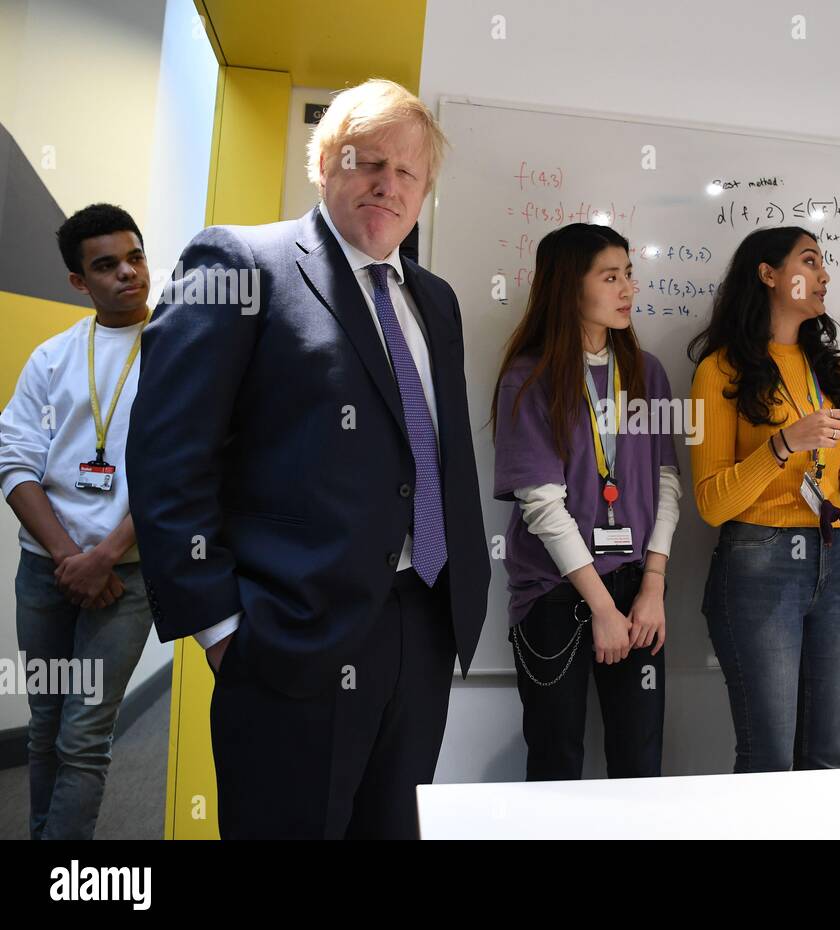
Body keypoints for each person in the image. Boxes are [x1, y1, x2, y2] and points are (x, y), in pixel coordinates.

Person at [126, 79, 490, 838]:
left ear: (424, 193)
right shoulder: (239, 263)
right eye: (367, 161)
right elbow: (169, 458)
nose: (387, 184)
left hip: (423, 626)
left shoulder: (438, 301)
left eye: (408, 171)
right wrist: (220, 628)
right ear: (325, 164)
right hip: (290, 636)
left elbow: (432, 454)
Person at [688, 226, 840, 773]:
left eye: (823, 264)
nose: (825, 275)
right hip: (759, 563)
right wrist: (781, 445)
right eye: (810, 261)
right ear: (768, 274)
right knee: (769, 759)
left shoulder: (831, 371)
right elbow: (710, 504)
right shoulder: (719, 371)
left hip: (837, 560)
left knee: (827, 756)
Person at [492, 223, 681, 780]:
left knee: (639, 763)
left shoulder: (646, 372)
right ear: (569, 286)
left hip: (637, 590)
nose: (628, 289)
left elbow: (666, 482)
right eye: (610, 277)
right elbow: (542, 505)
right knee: (556, 763)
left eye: (629, 275)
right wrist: (600, 609)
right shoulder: (530, 378)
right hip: (555, 594)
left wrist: (653, 587)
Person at [0, 203, 154, 839]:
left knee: (85, 735)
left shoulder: (181, 353)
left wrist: (105, 556)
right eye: (107, 265)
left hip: (129, 578)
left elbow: (187, 471)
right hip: (48, 573)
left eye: (135, 257)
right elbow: (15, 462)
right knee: (45, 724)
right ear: (78, 281)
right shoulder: (53, 357)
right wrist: (72, 559)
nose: (128, 273)